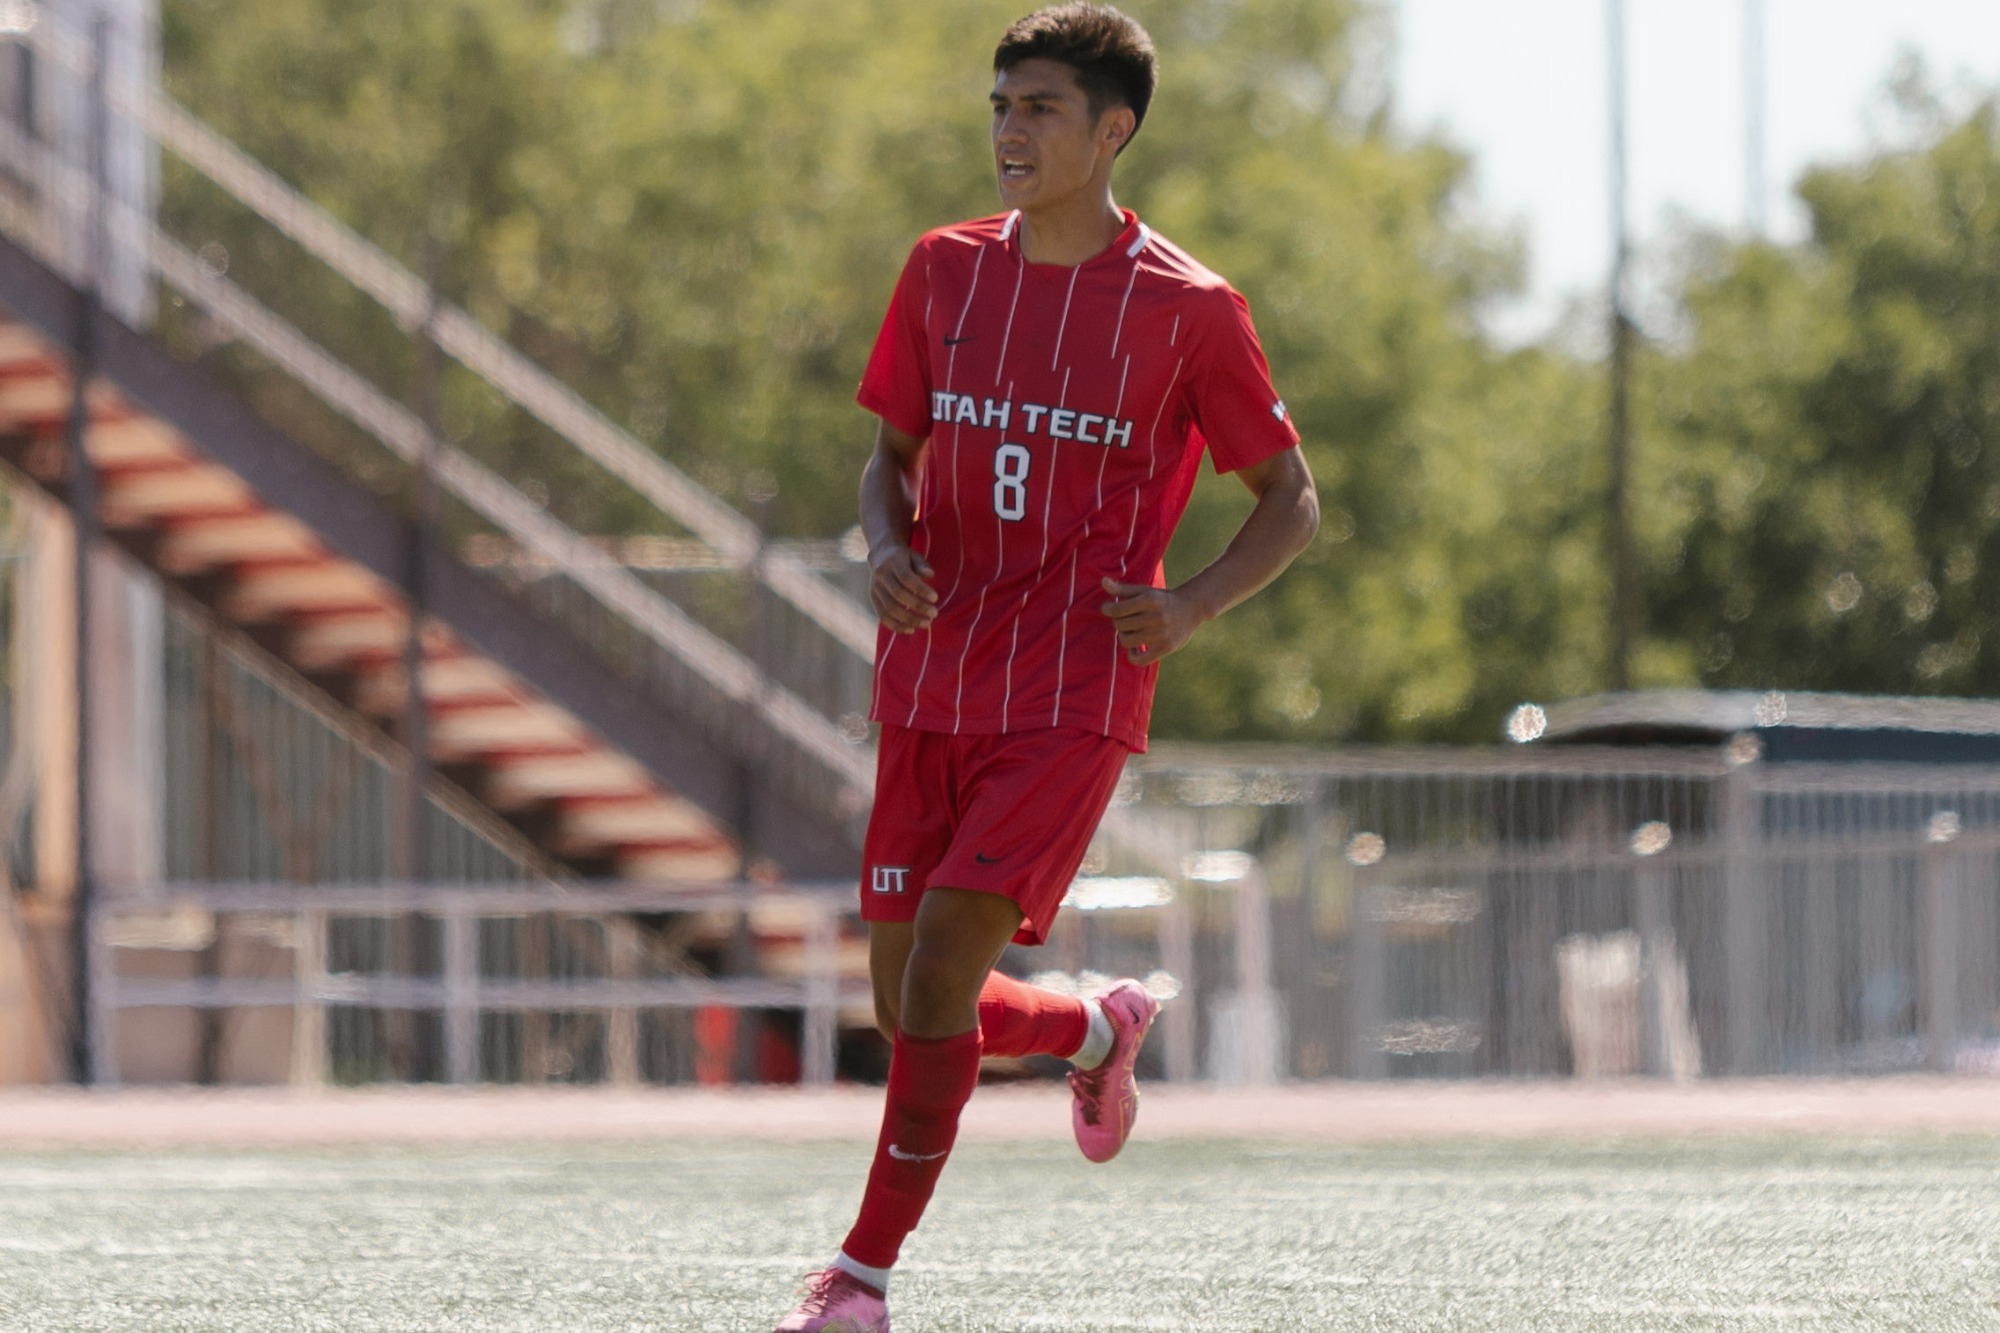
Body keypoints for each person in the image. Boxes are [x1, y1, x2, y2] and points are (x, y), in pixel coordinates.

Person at [776, 4, 1318, 1328]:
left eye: (1042, 110)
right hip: (929, 673)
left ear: (1112, 131)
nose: (1012, 131)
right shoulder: (943, 268)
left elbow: (1290, 496)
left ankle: (861, 1276)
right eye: (1002, 107)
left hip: (1073, 688)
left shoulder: (1191, 309)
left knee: (946, 966)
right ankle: (1092, 1030)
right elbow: (885, 460)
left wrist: (1188, 606)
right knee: (913, 1008)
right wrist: (883, 544)